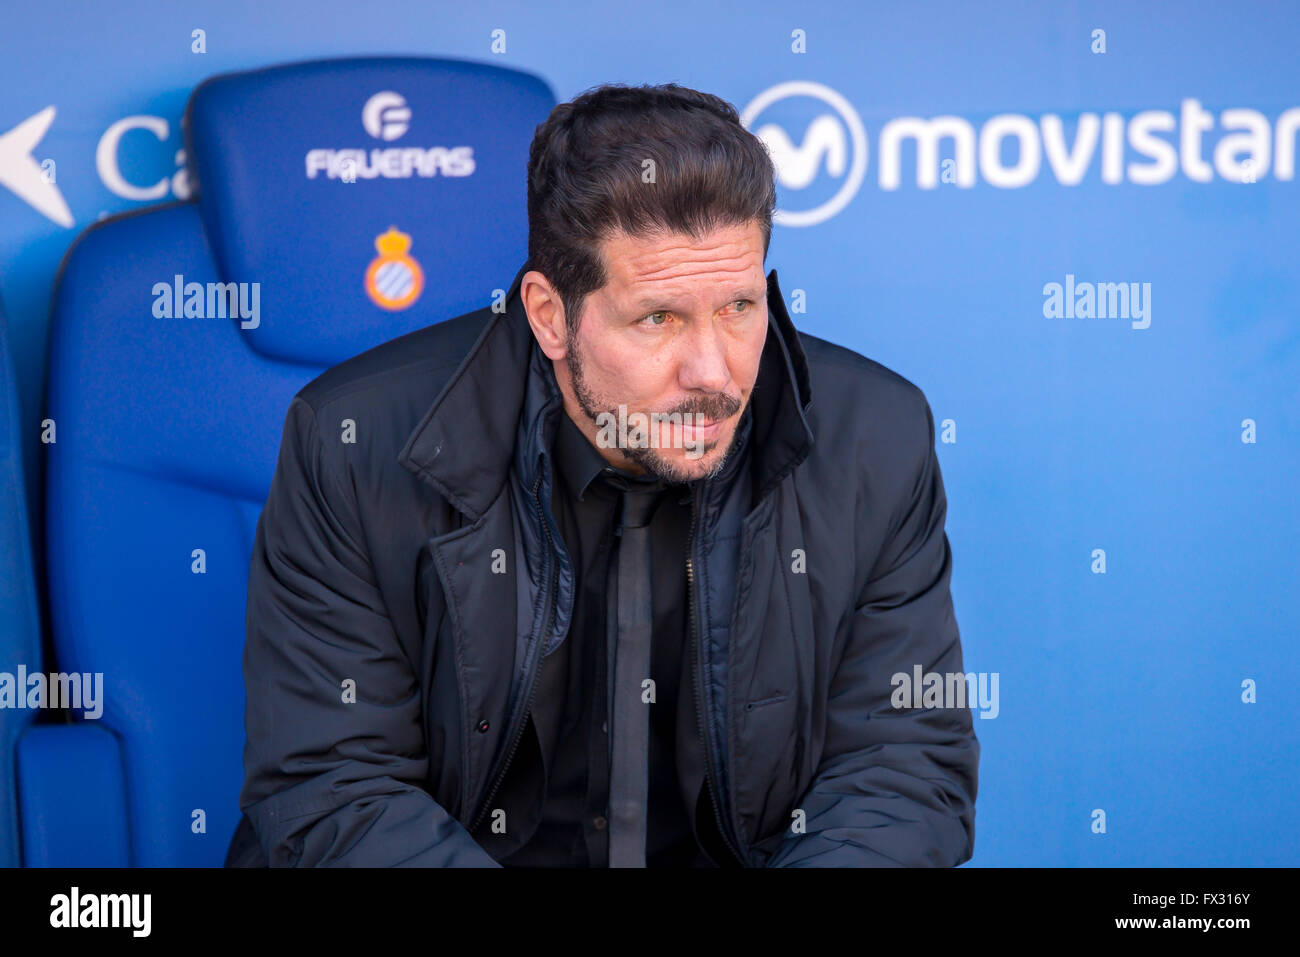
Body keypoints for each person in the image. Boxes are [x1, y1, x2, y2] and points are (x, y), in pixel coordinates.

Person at [225, 82, 979, 867]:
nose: (714, 372)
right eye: (659, 318)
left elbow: (902, 768)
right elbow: (334, 785)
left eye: (738, 307)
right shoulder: (354, 443)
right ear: (550, 315)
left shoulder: (875, 438)